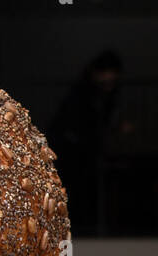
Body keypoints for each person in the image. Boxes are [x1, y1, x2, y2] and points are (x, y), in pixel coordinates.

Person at [51, 50, 126, 234]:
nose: (110, 81)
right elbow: (76, 126)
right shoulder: (82, 95)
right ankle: (77, 228)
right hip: (72, 151)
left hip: (86, 152)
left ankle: (88, 227)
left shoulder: (104, 95)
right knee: (75, 193)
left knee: (88, 192)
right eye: (107, 76)